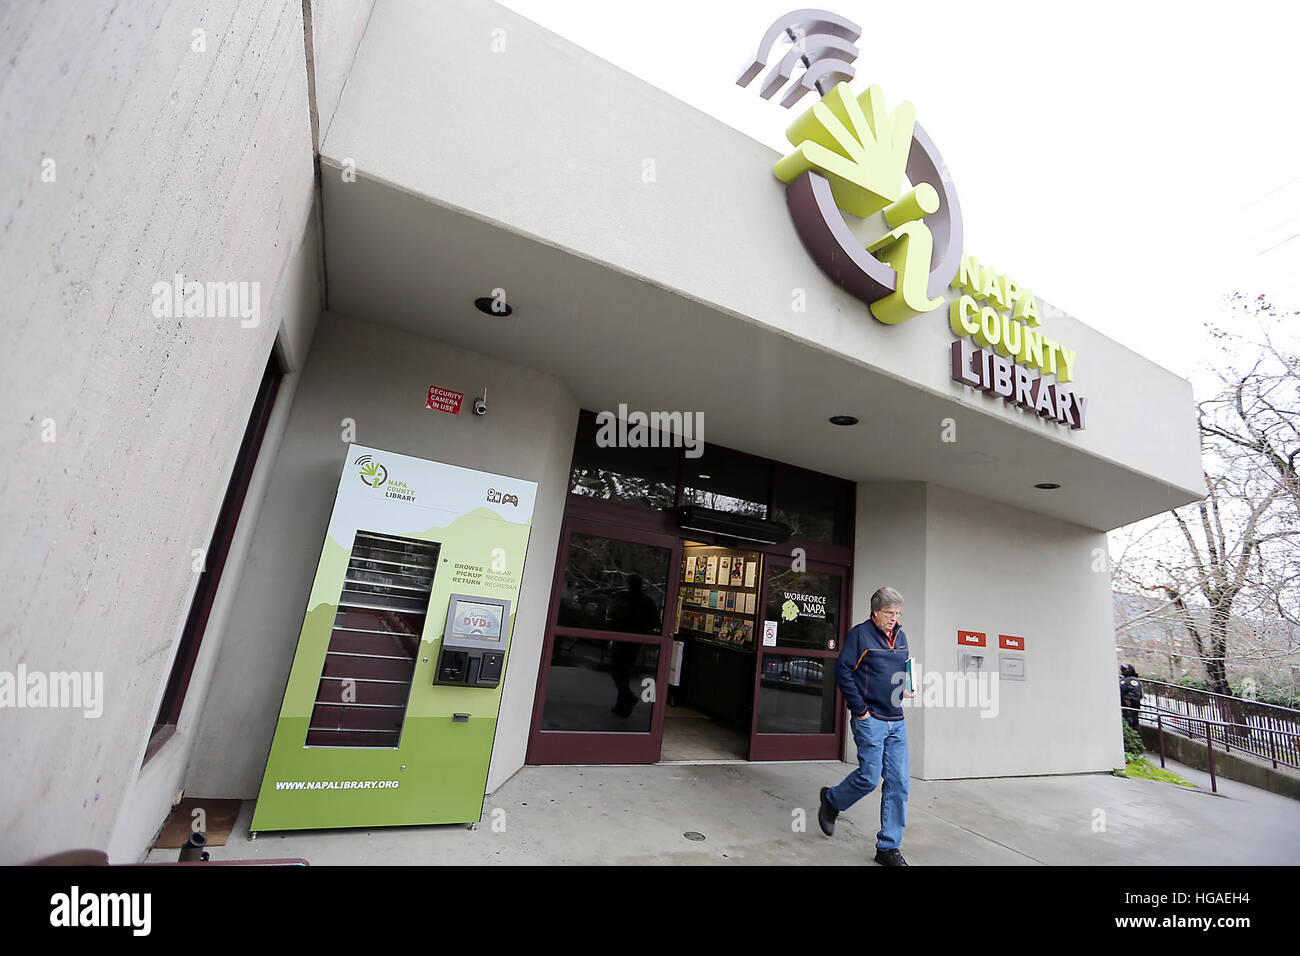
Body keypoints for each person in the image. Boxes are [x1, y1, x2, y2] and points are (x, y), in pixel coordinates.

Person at [818, 586, 916, 866]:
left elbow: (905, 665)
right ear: (875, 612)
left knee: (899, 783)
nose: (894, 618)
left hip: (896, 721)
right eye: (889, 613)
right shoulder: (860, 635)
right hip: (870, 719)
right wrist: (860, 711)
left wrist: (906, 687)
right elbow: (842, 672)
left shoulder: (901, 635)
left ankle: (888, 847)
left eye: (897, 613)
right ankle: (832, 800)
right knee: (869, 778)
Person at [1119, 663, 1143, 731]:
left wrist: (1128, 701)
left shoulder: (1133, 680)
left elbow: (1136, 694)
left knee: (1132, 724)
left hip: (1130, 708)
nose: (1123, 671)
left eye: (1125, 670)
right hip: (1123, 707)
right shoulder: (1122, 679)